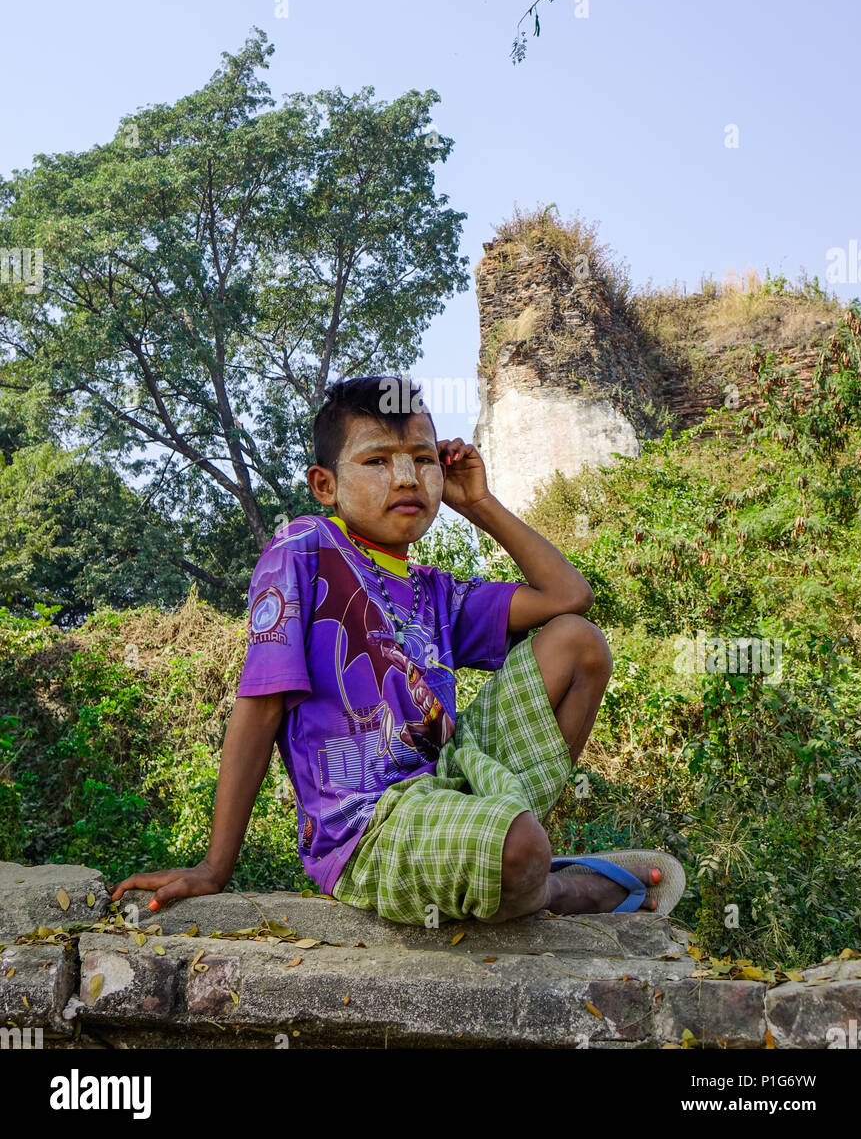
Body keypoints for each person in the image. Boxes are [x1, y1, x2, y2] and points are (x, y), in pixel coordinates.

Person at [110, 375, 675, 925]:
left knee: (580, 644)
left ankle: (504, 856)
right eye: (377, 461)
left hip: (450, 781)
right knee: (520, 846)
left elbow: (569, 597)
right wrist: (215, 866)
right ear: (326, 485)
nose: (406, 478)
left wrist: (478, 503)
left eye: (423, 460)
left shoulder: (438, 591)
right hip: (368, 826)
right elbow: (261, 705)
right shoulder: (304, 551)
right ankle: (545, 881)